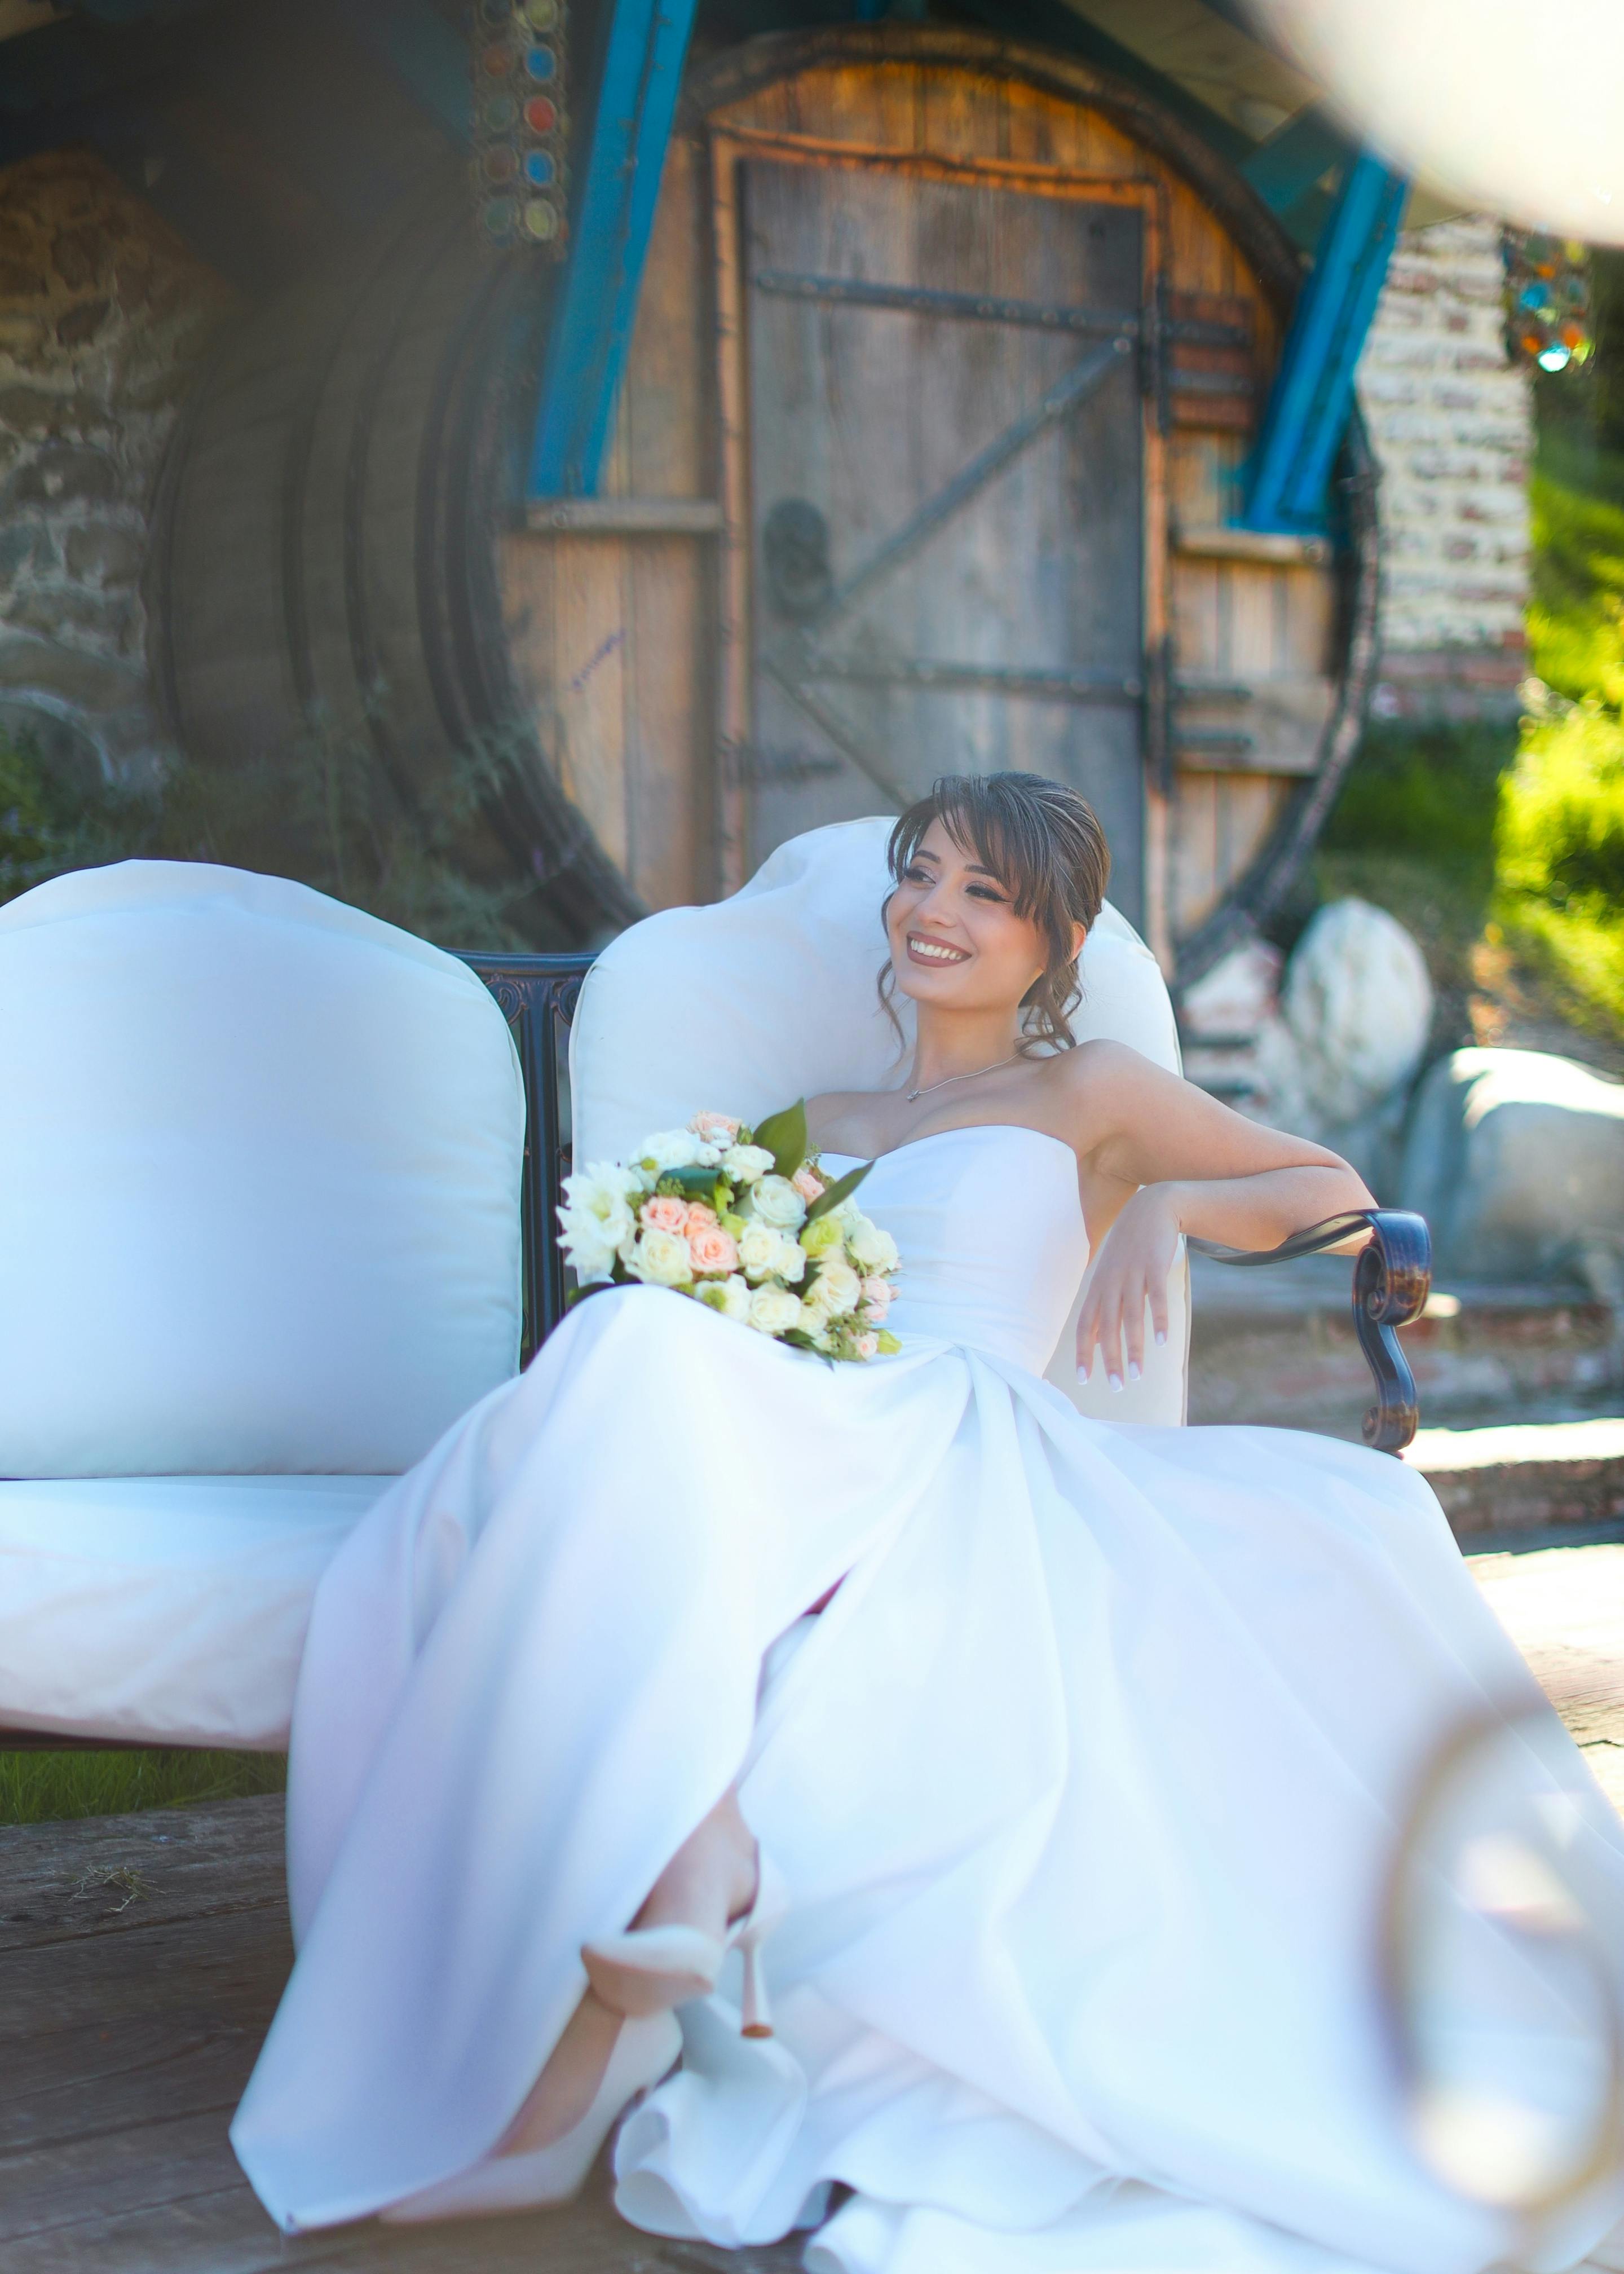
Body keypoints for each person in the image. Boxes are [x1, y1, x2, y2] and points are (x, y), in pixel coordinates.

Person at [231, 772, 1624, 2274]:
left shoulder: (1088, 1092)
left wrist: (1157, 1204)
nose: (934, 911)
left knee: (633, 1368)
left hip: (960, 1435)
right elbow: (713, 1303)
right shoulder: (807, 1122)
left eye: (985, 892)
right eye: (922, 875)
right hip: (796, 1432)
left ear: (1057, 939)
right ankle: (635, 1929)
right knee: (619, 1363)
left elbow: (1330, 1190)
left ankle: (662, 1914)